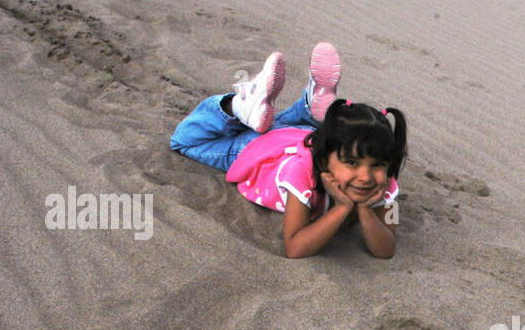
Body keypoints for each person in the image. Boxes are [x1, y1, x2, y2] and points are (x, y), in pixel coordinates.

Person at [170, 43, 406, 259]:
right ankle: (236, 106)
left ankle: (311, 108)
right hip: (260, 149)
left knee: (278, 125)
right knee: (185, 141)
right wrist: (343, 207)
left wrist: (364, 207)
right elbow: (295, 247)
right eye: (352, 163)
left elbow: (386, 249)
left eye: (377, 165)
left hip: (302, 134)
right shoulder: (303, 174)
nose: (365, 176)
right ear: (324, 161)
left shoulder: (385, 183)